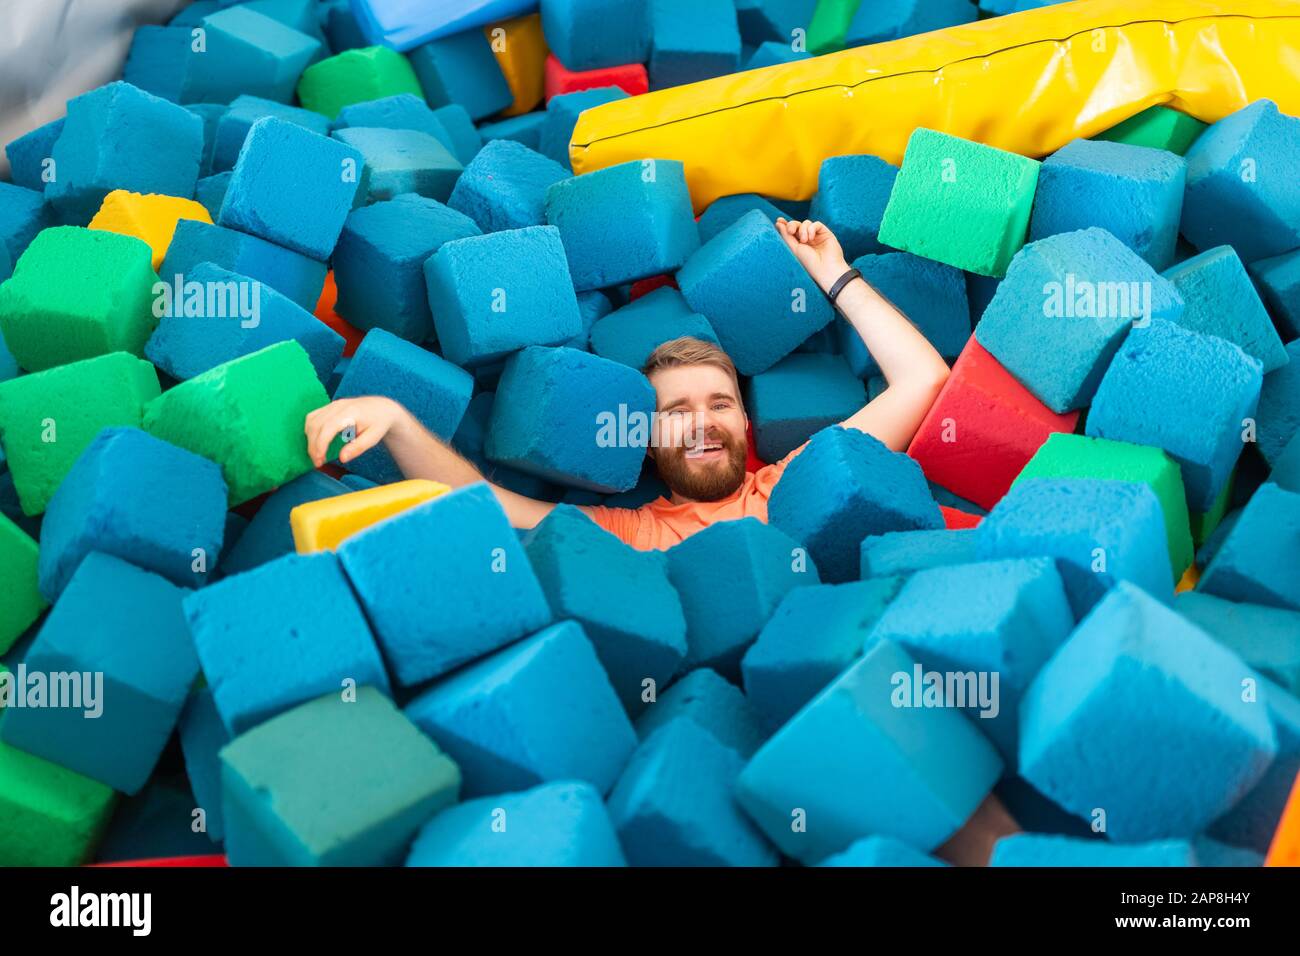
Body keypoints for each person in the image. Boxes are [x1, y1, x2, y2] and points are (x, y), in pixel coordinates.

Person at [305, 217, 952, 550]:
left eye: (719, 403)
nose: (703, 420)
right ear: (643, 441)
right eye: (677, 410)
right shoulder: (636, 533)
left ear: (745, 427)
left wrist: (833, 272)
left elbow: (923, 379)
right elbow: (493, 510)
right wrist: (394, 418)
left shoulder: (800, 477)